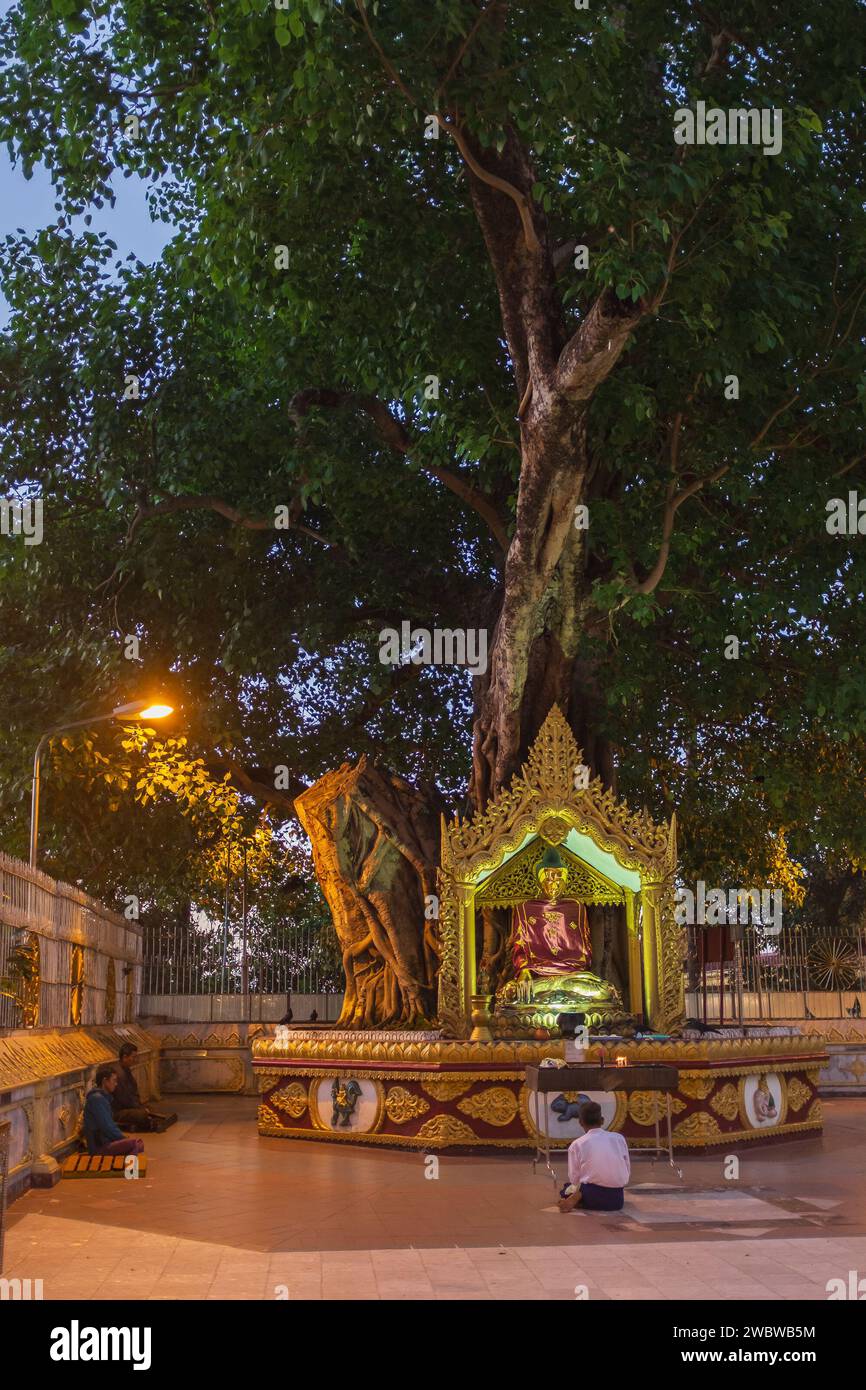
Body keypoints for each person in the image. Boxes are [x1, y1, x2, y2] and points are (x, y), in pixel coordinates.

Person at [558, 1100, 630, 1212]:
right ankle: (579, 1197)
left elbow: (574, 1178)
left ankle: (577, 1197)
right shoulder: (619, 1138)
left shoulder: (577, 1144)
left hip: (591, 1195)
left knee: (566, 1189)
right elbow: (627, 1169)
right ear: (602, 1120)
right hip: (617, 1199)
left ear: (580, 1122)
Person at [112, 1043, 176, 1132]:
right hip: (119, 1111)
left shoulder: (126, 1069)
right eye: (133, 1057)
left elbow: (133, 1091)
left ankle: (150, 1120)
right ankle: (150, 1123)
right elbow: (124, 1099)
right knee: (142, 1114)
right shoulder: (119, 1073)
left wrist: (140, 1106)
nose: (135, 1060)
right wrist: (138, 1107)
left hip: (129, 1107)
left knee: (150, 1109)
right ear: (125, 1057)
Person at [83, 1065, 144, 1157]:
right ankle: (129, 1171)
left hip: (105, 1142)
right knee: (134, 1144)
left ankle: (126, 1168)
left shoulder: (102, 1098)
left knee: (138, 1143)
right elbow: (107, 1127)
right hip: (99, 1147)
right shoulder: (97, 1099)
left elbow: (109, 1126)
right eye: (114, 1080)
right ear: (104, 1081)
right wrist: (123, 1138)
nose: (116, 1084)